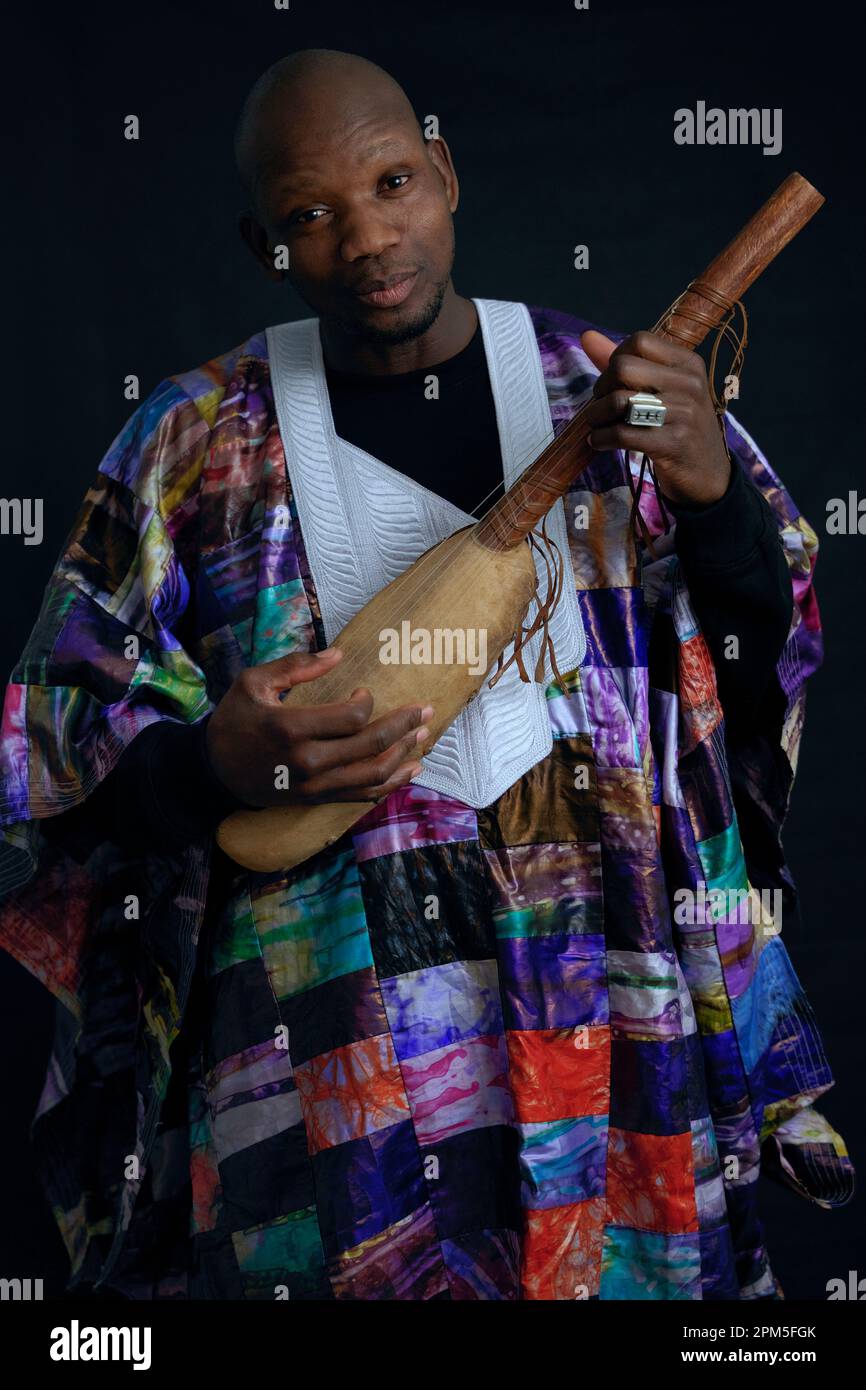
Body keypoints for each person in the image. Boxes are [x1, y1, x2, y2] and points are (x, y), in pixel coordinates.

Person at [0, 48, 852, 1302]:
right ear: (264, 242)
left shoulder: (612, 390)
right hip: (319, 1061)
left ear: (444, 174)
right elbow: (49, 744)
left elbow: (753, 651)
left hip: (609, 1018)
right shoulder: (186, 442)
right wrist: (205, 763)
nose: (366, 235)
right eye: (311, 213)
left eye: (393, 181)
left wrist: (716, 496)